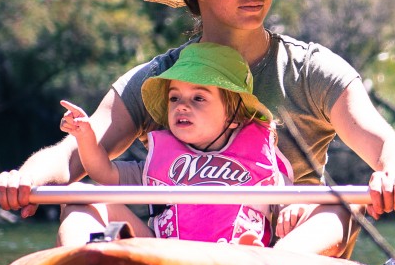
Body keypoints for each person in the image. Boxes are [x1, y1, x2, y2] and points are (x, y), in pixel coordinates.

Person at [0, 0, 395, 252]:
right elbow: (72, 156)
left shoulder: (312, 70)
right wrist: (24, 178)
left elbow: (390, 148)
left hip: (291, 252)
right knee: (83, 200)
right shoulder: (161, 79)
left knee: (339, 204)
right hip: (175, 253)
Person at [56, 43, 292, 245]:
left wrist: (293, 208)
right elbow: (103, 173)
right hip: (165, 255)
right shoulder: (158, 162)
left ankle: (249, 255)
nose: (181, 106)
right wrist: (85, 137)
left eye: (198, 98)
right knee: (81, 197)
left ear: (235, 115)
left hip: (235, 254)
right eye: (174, 97)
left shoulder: (263, 158)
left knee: (319, 210)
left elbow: (290, 199)